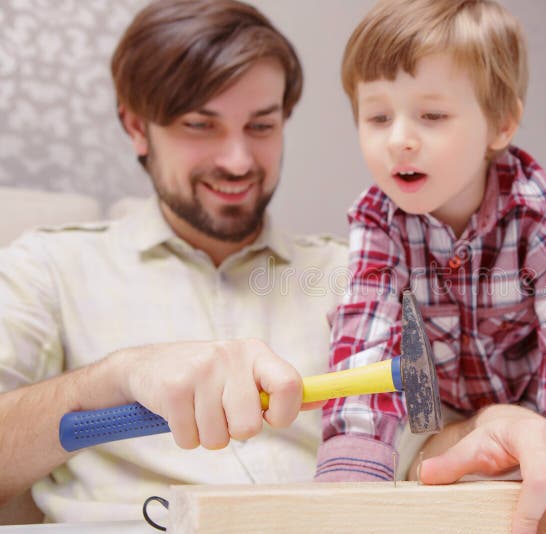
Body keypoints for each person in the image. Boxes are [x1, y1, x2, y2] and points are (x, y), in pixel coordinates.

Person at [0, 0, 345, 522]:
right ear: (137, 127)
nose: (237, 161)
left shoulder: (355, 276)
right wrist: (113, 377)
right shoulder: (48, 267)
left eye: (261, 126)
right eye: (199, 125)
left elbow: (438, 438)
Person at [315, 0, 546, 532]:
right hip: (439, 441)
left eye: (432, 115)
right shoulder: (376, 218)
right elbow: (364, 338)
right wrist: (349, 484)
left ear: (501, 123)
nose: (398, 139)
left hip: (528, 438)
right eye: (377, 117)